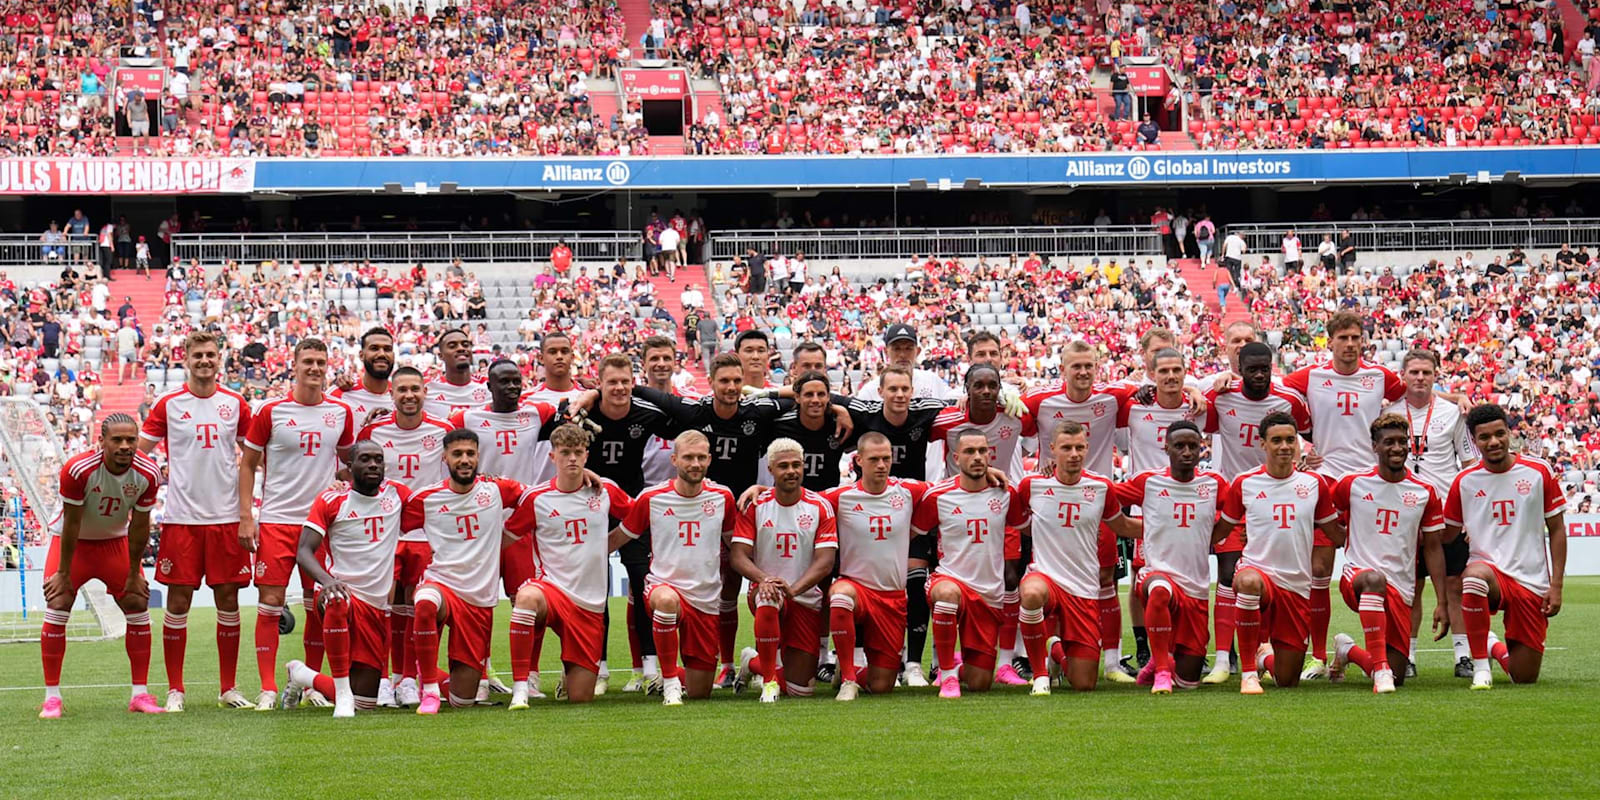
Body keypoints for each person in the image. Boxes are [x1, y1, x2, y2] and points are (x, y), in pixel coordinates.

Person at [138, 332, 255, 712]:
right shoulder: (168, 405)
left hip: (225, 519)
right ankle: (176, 689)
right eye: (198, 355)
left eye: (211, 355)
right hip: (181, 519)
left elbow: (254, 457)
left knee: (228, 599)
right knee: (178, 601)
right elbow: (140, 453)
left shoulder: (235, 403)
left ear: (220, 360)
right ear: (186, 359)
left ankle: (228, 687)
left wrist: (247, 512)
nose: (205, 360)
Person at [1283, 311, 1405, 678]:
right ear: (1330, 341)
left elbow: (1416, 393)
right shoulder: (1311, 376)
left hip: (1370, 484)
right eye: (1344, 338)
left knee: (1379, 570)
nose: (1350, 344)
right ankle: (1319, 655)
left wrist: (1455, 396)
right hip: (1328, 481)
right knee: (1319, 569)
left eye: (1356, 338)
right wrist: (1303, 446)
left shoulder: (1380, 376)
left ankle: (1391, 650)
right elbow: (1276, 395)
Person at [240, 338, 355, 711]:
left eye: (321, 361)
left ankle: (310, 683)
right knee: (270, 603)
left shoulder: (340, 412)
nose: (315, 368)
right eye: (308, 361)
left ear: (327, 365)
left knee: (319, 604)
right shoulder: (270, 411)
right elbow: (247, 463)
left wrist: (341, 482)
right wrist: (247, 515)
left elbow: (347, 460)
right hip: (276, 520)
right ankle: (268, 687)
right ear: (294, 364)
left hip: (319, 524)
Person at [402, 428, 540, 713]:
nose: (464, 460)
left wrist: (589, 477)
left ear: (478, 456)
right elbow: (384, 512)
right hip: (442, 585)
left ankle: (426, 676)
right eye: (457, 454)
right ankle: (428, 689)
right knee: (426, 602)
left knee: (463, 700)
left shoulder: (497, 489)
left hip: (478, 600)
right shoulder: (426, 498)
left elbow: (542, 497)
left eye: (470, 454)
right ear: (444, 458)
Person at [37, 415, 164, 719]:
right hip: (73, 544)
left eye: (130, 440)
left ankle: (140, 694)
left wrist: (134, 572)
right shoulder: (78, 469)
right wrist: (64, 573)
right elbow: (72, 523)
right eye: (116, 440)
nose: (124, 446)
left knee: (137, 602)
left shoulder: (148, 472)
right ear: (101, 441)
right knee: (58, 600)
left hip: (114, 544)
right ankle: (51, 697)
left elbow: (140, 526)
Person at [1200, 341, 1310, 683]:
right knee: (1232, 574)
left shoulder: (1289, 399)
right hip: (1239, 495)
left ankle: (1265, 652)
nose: (1259, 375)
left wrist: (1308, 456)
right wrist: (1206, 383)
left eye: (1265, 368)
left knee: (1277, 574)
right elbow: (1191, 406)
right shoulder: (1221, 395)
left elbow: (1306, 435)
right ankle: (1225, 660)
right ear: (1239, 368)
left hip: (1280, 495)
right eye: (1252, 369)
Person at [1216, 412, 1346, 695]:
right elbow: (1222, 529)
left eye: (1290, 440)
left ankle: (1264, 656)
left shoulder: (1314, 484)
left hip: (1296, 586)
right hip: (1258, 573)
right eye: (1276, 440)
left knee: (1287, 680)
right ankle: (1249, 673)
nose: (1285, 446)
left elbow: (1335, 534)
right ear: (1262, 444)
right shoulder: (1244, 483)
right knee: (1248, 582)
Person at [1010, 422, 1141, 695]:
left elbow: (1123, 526)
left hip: (1083, 588)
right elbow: (1018, 522)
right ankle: (1041, 675)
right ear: (1053, 449)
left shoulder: (1102, 487)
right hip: (1046, 577)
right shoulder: (1031, 485)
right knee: (1032, 592)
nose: (1074, 454)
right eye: (1067, 448)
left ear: (1087, 449)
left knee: (1084, 683)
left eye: (1079, 447)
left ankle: (1055, 650)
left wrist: (1165, 528)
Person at [508, 424, 634, 707]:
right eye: (565, 453)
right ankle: (521, 688)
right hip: (551, 589)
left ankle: (570, 678)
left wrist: (610, 543)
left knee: (581, 698)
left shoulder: (604, 491)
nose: (572, 459)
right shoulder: (536, 498)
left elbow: (640, 514)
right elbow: (506, 537)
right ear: (553, 457)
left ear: (587, 456)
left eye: (578, 452)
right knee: (527, 597)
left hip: (589, 604)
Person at [285, 440, 411, 717]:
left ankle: (301, 674)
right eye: (365, 459)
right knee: (337, 600)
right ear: (349, 467)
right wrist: (326, 580)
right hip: (339, 595)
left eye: (378, 459)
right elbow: (304, 551)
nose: (373, 464)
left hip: (376, 607)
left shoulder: (397, 494)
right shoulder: (331, 500)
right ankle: (341, 694)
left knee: (365, 703)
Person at [1446, 404, 1568, 690]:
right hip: (1489, 574)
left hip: (1531, 580)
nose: (1494, 442)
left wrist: (1557, 585)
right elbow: (1446, 535)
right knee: (1474, 578)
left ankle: (1491, 645)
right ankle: (1479, 668)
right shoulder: (1463, 481)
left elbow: (1558, 529)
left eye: (1499, 434)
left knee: (1523, 677)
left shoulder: (1538, 471)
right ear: (1474, 442)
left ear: (1509, 433)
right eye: (1484, 437)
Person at [614, 431, 738, 705]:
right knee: (667, 601)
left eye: (700, 458)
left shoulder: (723, 497)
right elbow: (619, 537)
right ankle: (670, 681)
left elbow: (735, 545)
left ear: (709, 459)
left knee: (700, 691)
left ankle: (677, 677)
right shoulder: (651, 497)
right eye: (688, 457)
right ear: (674, 460)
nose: (695, 464)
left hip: (706, 598)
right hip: (664, 588)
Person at [1329, 414, 1448, 694]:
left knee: (1398, 675)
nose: (1396, 448)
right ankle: (1380, 668)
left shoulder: (1424, 491)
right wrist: (1342, 542)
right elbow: (1324, 519)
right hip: (1358, 576)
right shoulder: (1352, 484)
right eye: (1388, 442)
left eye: (1402, 442)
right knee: (1373, 580)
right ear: (1375, 447)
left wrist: (1442, 601)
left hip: (1402, 587)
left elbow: (1432, 547)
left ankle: (1349, 650)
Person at [355, 365, 453, 706]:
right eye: (402, 390)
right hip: (385, 531)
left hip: (426, 532)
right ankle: (384, 678)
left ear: (425, 392)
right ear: (392, 394)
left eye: (415, 389)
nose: (409, 395)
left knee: (414, 605)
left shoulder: (443, 430)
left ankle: (408, 677)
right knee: (385, 604)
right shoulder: (375, 431)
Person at [1115, 421, 1228, 693]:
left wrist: (1212, 536)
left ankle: (1159, 658)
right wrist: (1136, 528)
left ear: (1202, 448)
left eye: (1193, 446)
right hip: (1157, 576)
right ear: (1166, 448)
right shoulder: (1149, 481)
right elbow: (1105, 498)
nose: (1187, 452)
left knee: (1189, 682)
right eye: (1179, 446)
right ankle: (1163, 672)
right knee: (1160, 591)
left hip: (1196, 589)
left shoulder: (1214, 484)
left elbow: (1238, 510)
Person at [1388, 348, 1478, 678]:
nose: (1421, 378)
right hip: (1405, 514)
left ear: (1435, 375)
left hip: (1446, 514)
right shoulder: (1390, 413)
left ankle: (1463, 656)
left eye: (1427, 372)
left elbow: (1469, 464)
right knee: (1410, 588)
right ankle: (1408, 656)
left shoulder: (1454, 413)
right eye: (1414, 372)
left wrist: (1470, 514)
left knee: (1455, 585)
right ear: (1403, 376)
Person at [822, 433, 929, 699]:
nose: (881, 465)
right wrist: (761, 490)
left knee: (881, 685)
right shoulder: (840, 496)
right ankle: (848, 678)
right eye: (874, 459)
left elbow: (950, 488)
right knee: (840, 597)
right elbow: (800, 500)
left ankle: (853, 672)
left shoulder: (908, 491)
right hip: (856, 588)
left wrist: (990, 471)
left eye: (886, 459)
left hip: (892, 597)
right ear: (858, 460)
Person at [911, 429, 1017, 698]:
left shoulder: (1006, 493)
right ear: (956, 458)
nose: (978, 457)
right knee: (946, 594)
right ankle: (946, 675)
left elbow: (1030, 525)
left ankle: (958, 670)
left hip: (989, 594)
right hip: (949, 580)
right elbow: (911, 532)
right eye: (970, 452)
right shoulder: (938, 495)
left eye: (983, 451)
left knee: (980, 682)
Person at [730, 439, 838, 701]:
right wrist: (764, 579)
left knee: (801, 691)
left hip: (804, 598)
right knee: (768, 595)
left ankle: (751, 662)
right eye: (783, 466)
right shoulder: (755, 504)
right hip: (765, 590)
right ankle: (768, 683)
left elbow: (825, 561)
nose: (791, 471)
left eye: (796, 465)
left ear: (804, 466)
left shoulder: (820, 506)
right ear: (770, 469)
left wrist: (794, 589)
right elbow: (738, 556)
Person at [333, 327, 397, 423]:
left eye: (387, 349)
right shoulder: (341, 393)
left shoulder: (404, 396)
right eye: (374, 348)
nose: (382, 354)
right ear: (361, 355)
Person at [425, 328, 489, 417]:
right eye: (452, 346)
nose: (461, 348)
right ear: (440, 356)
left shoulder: (489, 385)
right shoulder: (428, 389)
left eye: (465, 345)